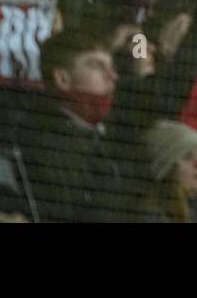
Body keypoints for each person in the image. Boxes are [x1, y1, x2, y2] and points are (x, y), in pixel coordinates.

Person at [17, 27, 129, 222]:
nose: (112, 76)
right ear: (62, 78)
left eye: (112, 67)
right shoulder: (39, 142)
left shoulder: (115, 139)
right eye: (97, 66)